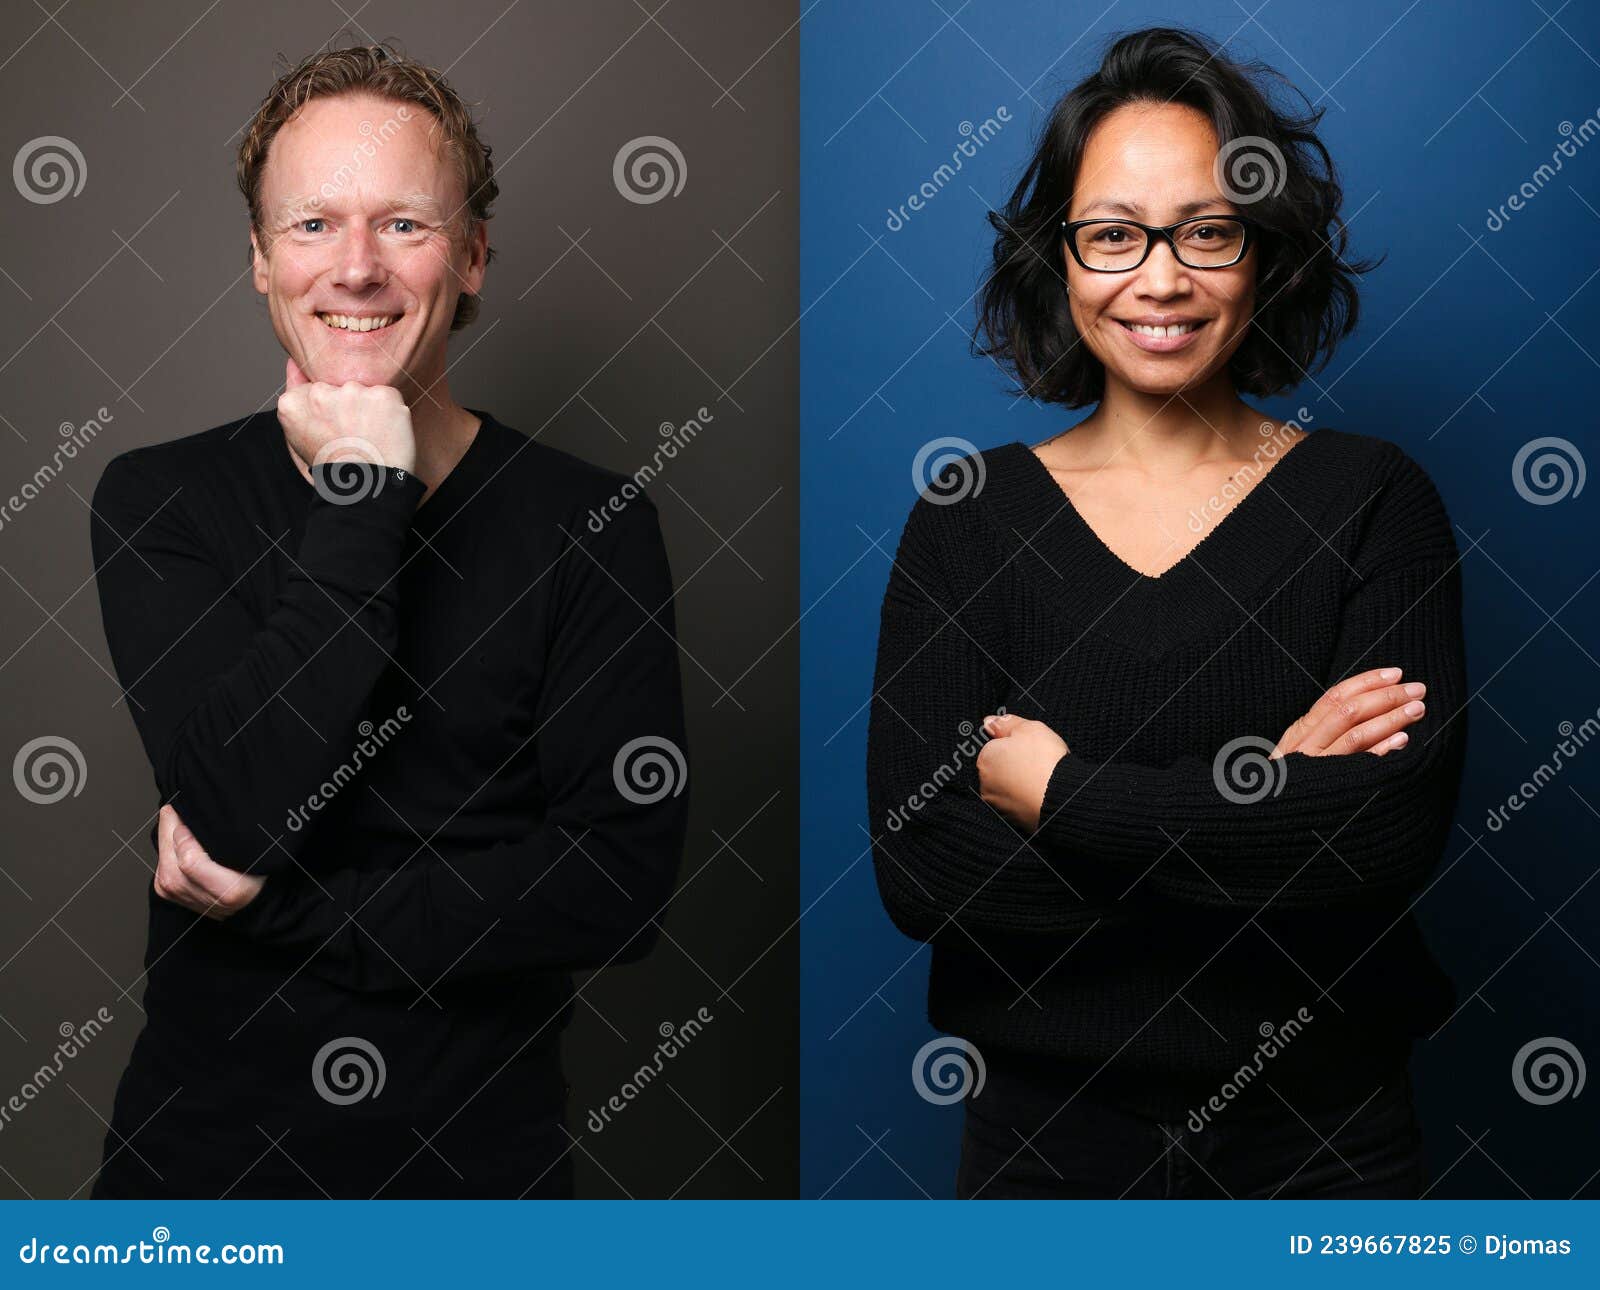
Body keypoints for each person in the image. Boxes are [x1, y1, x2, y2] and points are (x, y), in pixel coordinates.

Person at [866, 26, 1467, 1198]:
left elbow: (1377, 845)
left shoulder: (1375, 499)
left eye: (1206, 230)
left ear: (1263, 252)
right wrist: (1261, 804)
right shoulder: (969, 516)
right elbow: (925, 874)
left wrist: (1061, 795)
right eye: (1111, 235)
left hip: (1323, 1149)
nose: (1160, 278)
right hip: (1045, 1156)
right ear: (1061, 257)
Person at [87, 43, 689, 1198]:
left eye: (403, 225)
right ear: (260, 262)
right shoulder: (162, 501)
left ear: (468, 259)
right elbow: (234, 805)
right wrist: (363, 498)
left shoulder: (592, 523)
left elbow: (618, 887)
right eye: (312, 225)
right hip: (202, 1177)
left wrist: (295, 907)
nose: (355, 268)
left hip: (477, 1183)